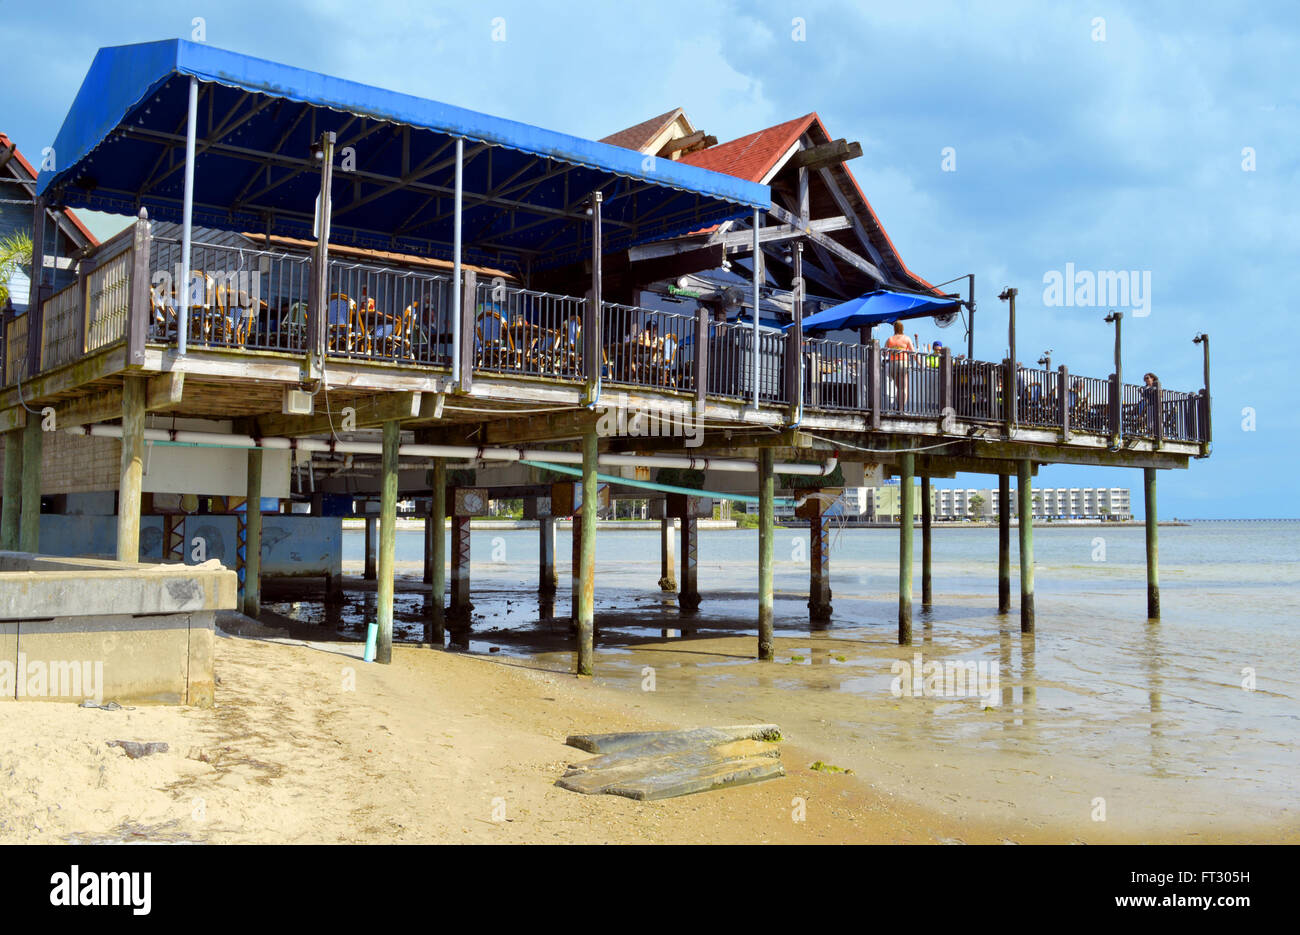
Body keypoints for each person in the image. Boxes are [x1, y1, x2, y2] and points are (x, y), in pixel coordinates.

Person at [884, 320, 915, 410]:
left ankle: (898, 407)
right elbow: (913, 352)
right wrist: (919, 363)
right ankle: (901, 409)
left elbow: (884, 353)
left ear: (894, 328)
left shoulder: (890, 339)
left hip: (892, 364)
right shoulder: (907, 338)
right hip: (903, 363)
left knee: (898, 387)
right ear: (902, 328)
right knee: (904, 388)